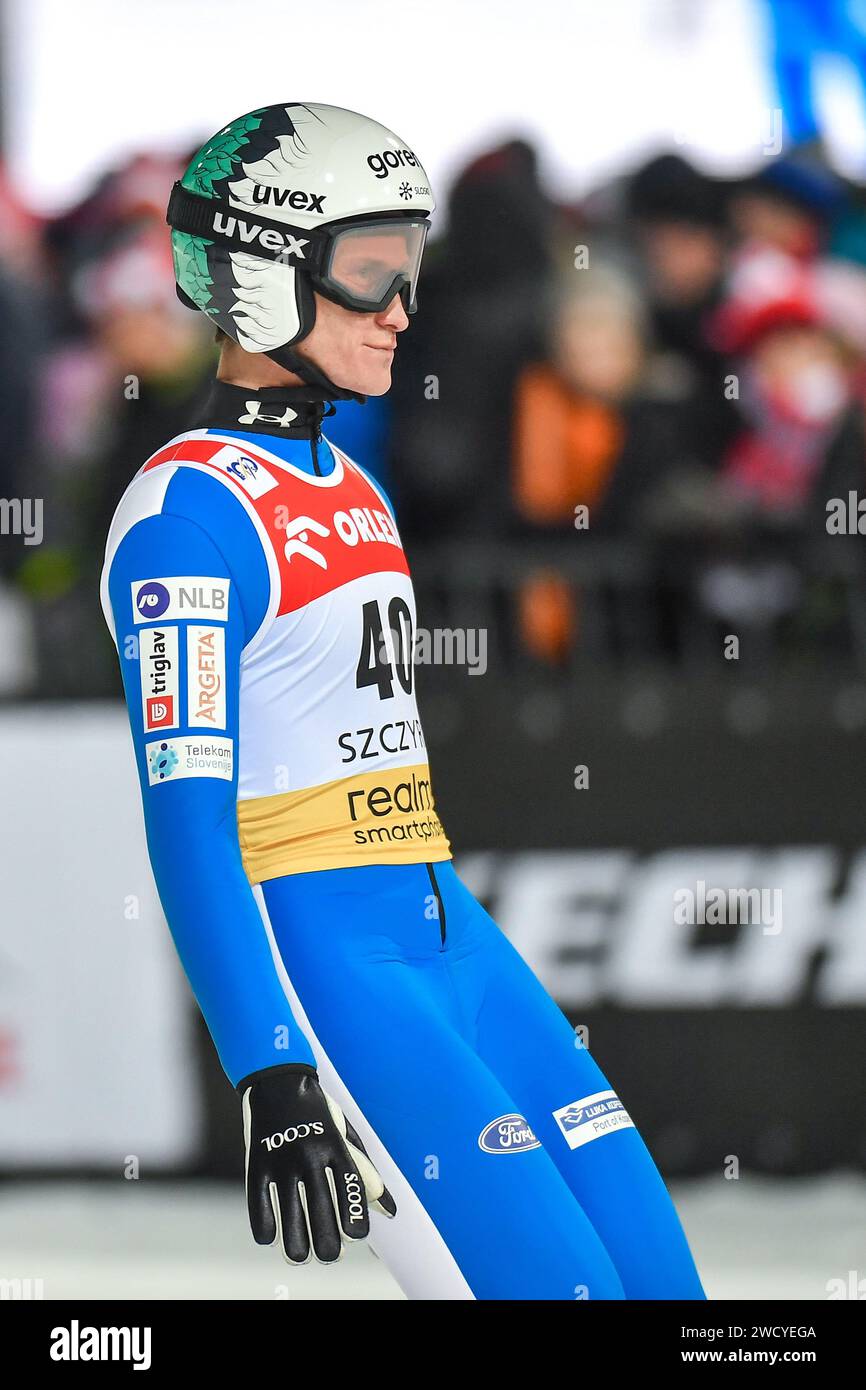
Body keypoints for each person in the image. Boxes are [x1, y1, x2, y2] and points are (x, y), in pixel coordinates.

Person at [100, 102, 706, 1300]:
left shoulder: (354, 485)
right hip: (332, 963)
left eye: (408, 268)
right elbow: (185, 821)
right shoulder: (186, 517)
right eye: (368, 271)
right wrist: (269, 1069)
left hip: (447, 933)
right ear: (264, 277)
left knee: (661, 1285)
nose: (400, 308)